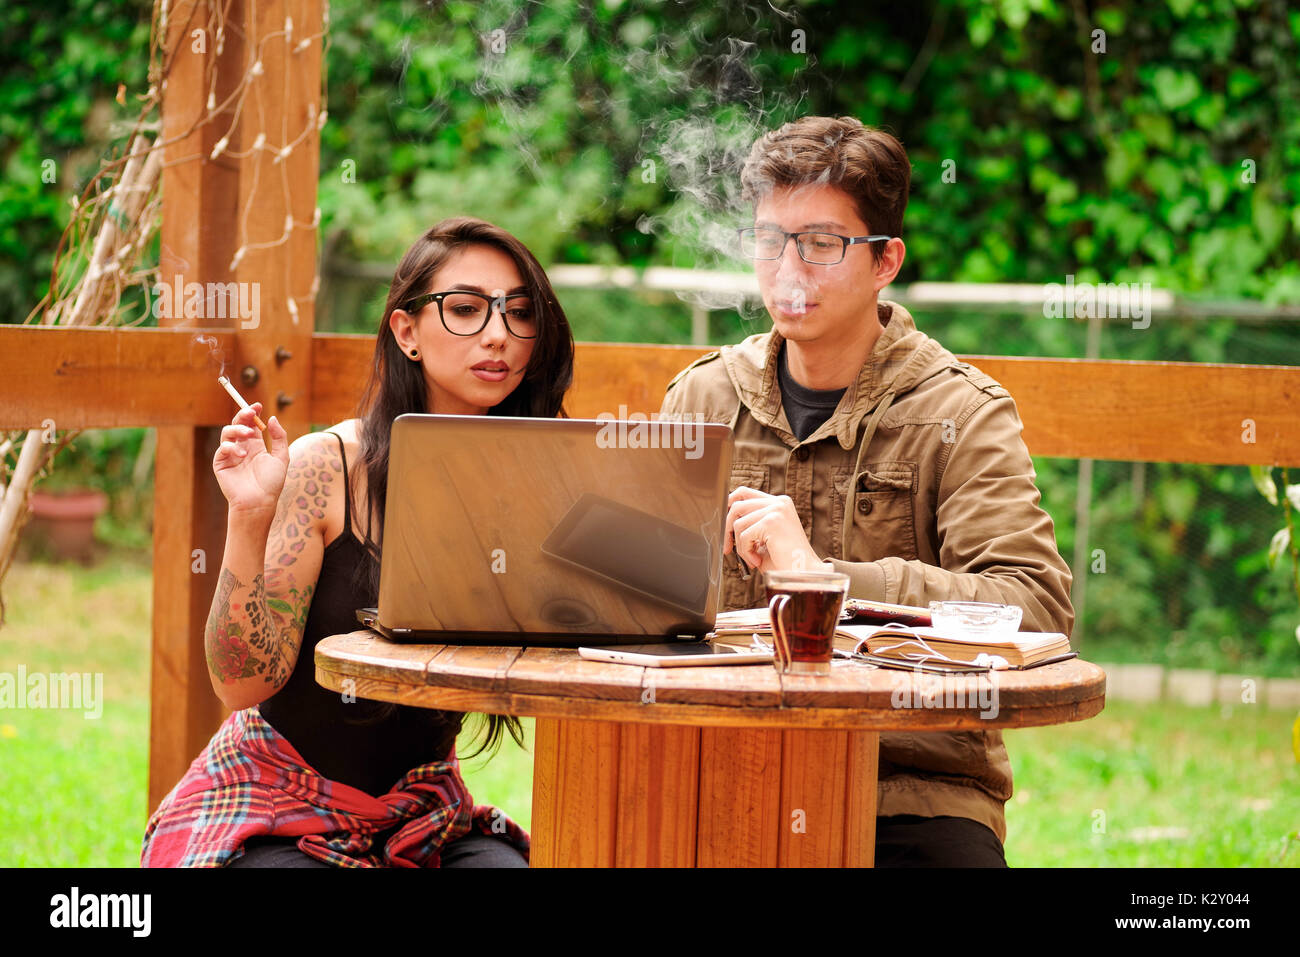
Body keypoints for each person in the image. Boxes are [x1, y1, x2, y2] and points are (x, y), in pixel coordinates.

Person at [659, 116, 1074, 867]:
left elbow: (1034, 604)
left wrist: (826, 579)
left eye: (821, 244)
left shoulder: (961, 412)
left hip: (909, 786)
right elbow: (638, 598)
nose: (788, 269)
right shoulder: (703, 398)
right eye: (769, 241)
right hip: (720, 765)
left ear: (885, 260)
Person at [142, 217, 575, 867]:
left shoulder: (532, 486)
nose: (498, 335)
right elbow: (240, 682)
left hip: (423, 811)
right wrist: (250, 516)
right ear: (406, 331)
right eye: (464, 309)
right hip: (279, 806)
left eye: (520, 314)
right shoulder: (327, 468)